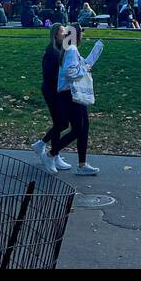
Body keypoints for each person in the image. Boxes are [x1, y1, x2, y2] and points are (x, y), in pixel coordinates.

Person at [45, 24, 99, 176]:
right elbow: (70, 72)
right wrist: (85, 69)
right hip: (70, 94)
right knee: (78, 130)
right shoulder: (72, 50)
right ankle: (51, 154)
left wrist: (85, 64)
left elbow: (71, 68)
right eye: (81, 32)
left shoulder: (68, 49)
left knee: (83, 128)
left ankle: (82, 164)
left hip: (70, 94)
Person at [31, 25, 73, 171]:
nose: (65, 34)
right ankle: (48, 150)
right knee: (61, 123)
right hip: (52, 91)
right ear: (55, 35)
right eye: (62, 32)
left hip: (58, 90)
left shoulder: (61, 50)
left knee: (61, 123)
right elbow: (49, 75)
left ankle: (47, 149)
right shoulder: (51, 52)